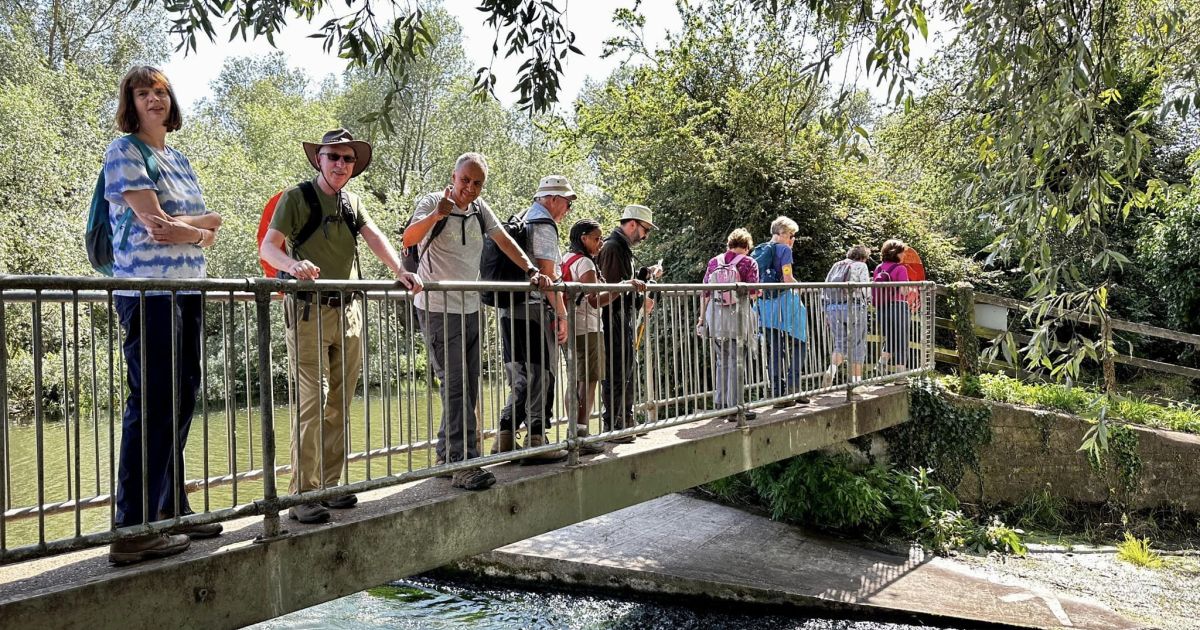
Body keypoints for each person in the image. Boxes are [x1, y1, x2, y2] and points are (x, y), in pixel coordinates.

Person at [259, 129, 422, 524]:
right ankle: (303, 493)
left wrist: (400, 270)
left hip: (349, 312)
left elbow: (374, 236)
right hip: (308, 312)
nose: (340, 165)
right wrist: (292, 266)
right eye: (333, 157)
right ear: (320, 159)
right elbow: (268, 245)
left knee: (340, 404)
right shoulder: (296, 198)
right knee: (312, 402)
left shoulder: (352, 202)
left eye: (348, 160)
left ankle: (329, 486)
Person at [105, 66, 225, 564]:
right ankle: (131, 529)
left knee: (181, 398)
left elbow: (212, 225)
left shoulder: (175, 157)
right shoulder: (124, 152)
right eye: (142, 93)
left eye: (160, 92)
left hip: (186, 289)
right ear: (130, 102)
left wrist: (191, 229)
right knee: (152, 402)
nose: (153, 99)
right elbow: (154, 225)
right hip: (147, 292)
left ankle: (171, 508)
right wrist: (197, 228)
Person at [403, 153, 552, 490]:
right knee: (457, 385)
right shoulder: (430, 201)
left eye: (477, 182)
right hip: (437, 307)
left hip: (469, 308)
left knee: (467, 385)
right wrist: (436, 215)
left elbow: (503, 240)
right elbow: (409, 238)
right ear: (453, 177)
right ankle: (463, 462)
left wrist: (530, 269)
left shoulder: (479, 208)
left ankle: (447, 455)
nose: (470, 188)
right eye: (465, 180)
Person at [493, 175, 577, 463]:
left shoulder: (522, 217)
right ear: (551, 198)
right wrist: (563, 314)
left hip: (507, 308)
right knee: (543, 373)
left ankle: (504, 437)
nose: (568, 209)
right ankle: (537, 439)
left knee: (520, 375)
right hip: (533, 310)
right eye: (567, 202)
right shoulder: (542, 224)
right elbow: (548, 274)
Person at [562, 219, 646, 451]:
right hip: (587, 327)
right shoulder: (586, 264)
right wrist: (621, 288)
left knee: (576, 380)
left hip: (570, 325)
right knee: (588, 382)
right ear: (583, 238)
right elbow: (595, 300)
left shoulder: (566, 259)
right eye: (597, 238)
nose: (601, 243)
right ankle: (580, 434)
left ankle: (574, 431)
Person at [597, 205, 660, 442]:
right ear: (632, 224)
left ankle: (625, 419)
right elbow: (614, 288)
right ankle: (615, 425)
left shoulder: (620, 247)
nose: (645, 237)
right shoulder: (613, 247)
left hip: (620, 317)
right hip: (612, 318)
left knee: (627, 367)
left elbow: (625, 282)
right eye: (645, 230)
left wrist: (645, 275)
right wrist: (640, 298)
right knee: (616, 369)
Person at [697, 229, 760, 422]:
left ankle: (720, 404)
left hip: (715, 317)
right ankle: (736, 406)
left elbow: (705, 293)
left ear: (728, 244)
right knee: (737, 361)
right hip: (737, 316)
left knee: (721, 360)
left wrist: (701, 319)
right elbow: (754, 292)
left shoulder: (714, 262)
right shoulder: (749, 262)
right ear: (747, 247)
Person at [753, 216, 810, 408]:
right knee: (799, 342)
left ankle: (777, 393)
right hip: (785, 303)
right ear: (782, 234)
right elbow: (787, 278)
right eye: (792, 235)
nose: (793, 240)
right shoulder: (784, 250)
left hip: (765, 306)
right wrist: (800, 286)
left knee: (775, 349)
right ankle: (793, 390)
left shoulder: (759, 250)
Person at [821, 245, 871, 388]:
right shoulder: (861, 266)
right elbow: (866, 289)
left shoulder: (837, 265)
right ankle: (856, 383)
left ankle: (832, 369)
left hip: (833, 309)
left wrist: (825, 310)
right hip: (853, 308)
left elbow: (825, 286)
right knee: (857, 345)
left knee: (840, 343)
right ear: (863, 257)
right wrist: (869, 300)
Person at [872, 239, 914, 373]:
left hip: (881, 308)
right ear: (895, 253)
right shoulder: (901, 269)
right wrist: (909, 288)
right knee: (902, 339)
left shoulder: (878, 268)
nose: (903, 255)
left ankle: (881, 365)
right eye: (902, 252)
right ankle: (900, 373)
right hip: (898, 307)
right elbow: (903, 291)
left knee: (891, 337)